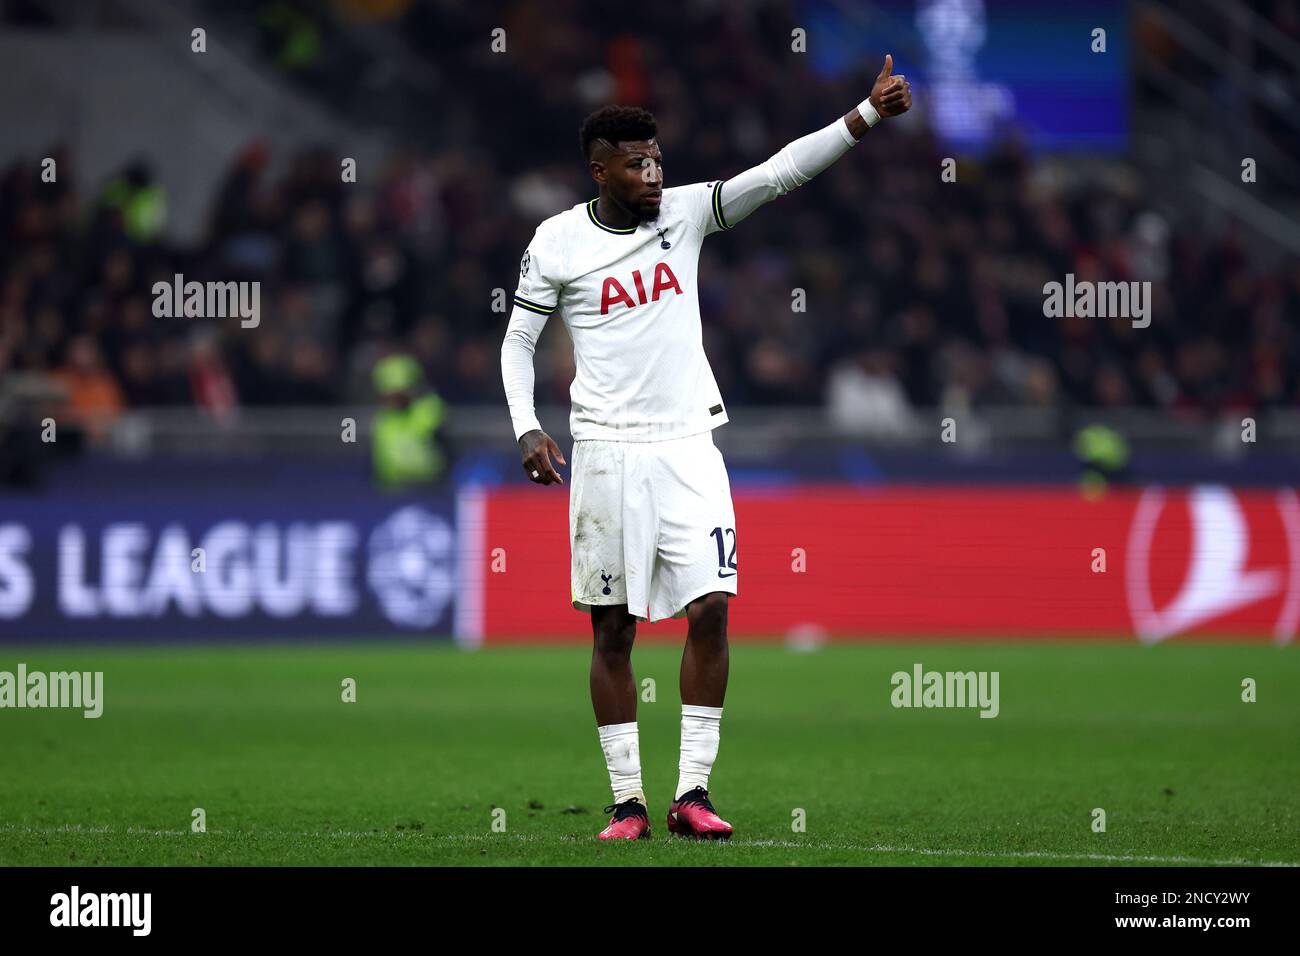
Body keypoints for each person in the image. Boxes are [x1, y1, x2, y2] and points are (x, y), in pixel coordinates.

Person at [500, 57, 912, 840]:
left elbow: (778, 173)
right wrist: (526, 424)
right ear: (600, 170)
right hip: (607, 451)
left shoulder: (687, 214)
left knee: (713, 610)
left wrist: (864, 116)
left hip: (690, 444)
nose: (653, 172)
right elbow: (517, 344)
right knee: (613, 629)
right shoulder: (556, 243)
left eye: (657, 158)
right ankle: (626, 802)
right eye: (635, 162)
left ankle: (692, 793)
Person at [371, 353, 446, 490]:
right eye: (389, 395)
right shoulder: (383, 421)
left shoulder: (430, 410)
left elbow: (446, 452)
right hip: (393, 491)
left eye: (399, 394)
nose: (393, 400)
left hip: (431, 489)